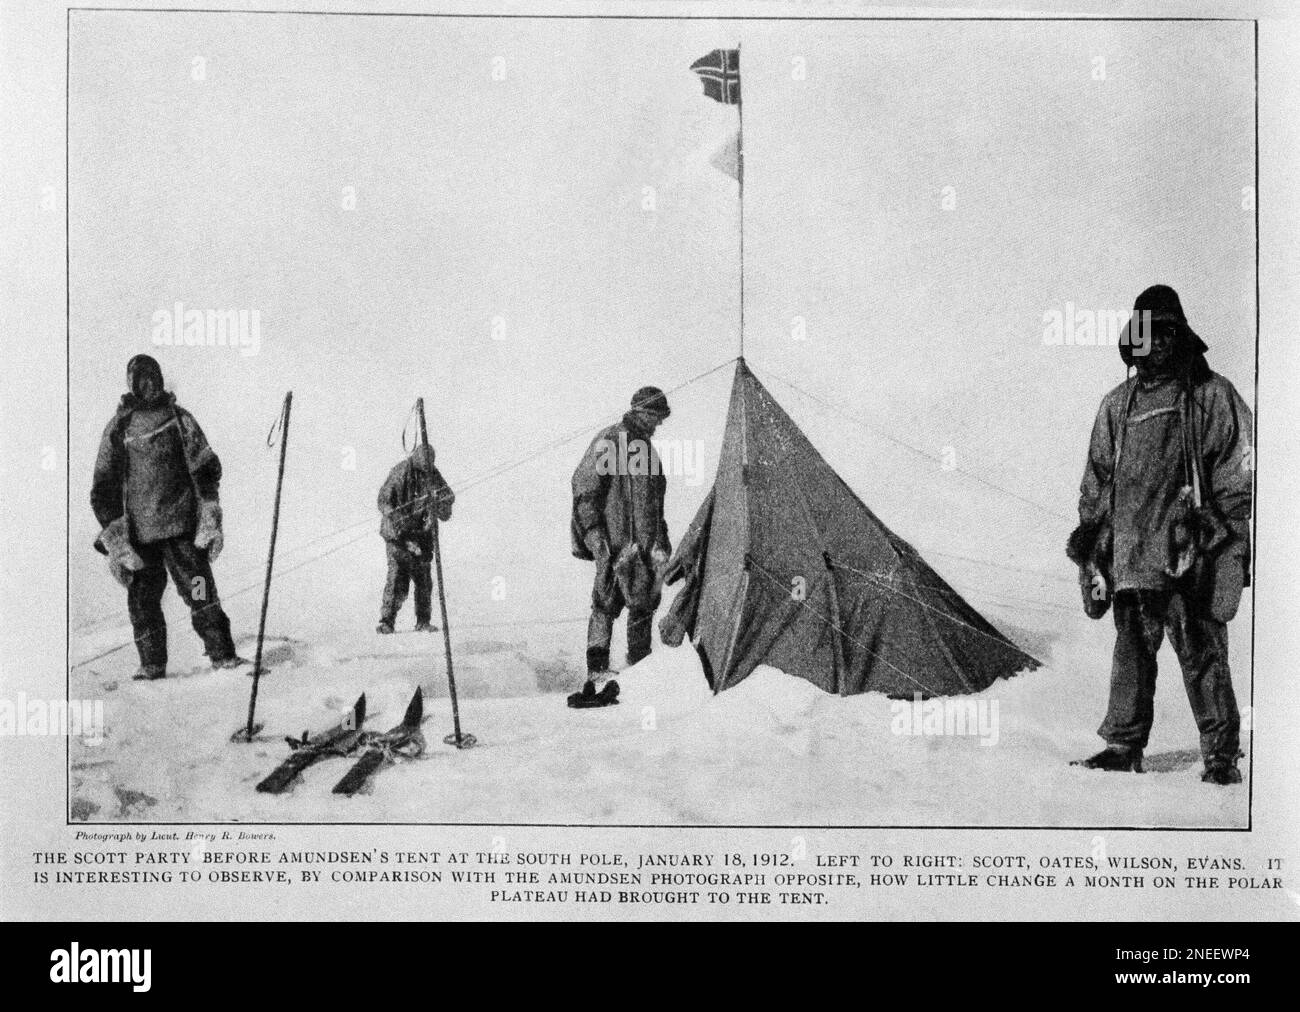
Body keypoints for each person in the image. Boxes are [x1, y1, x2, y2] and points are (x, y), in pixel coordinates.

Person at [1070, 286, 1253, 785]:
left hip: (1190, 555)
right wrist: (1094, 542)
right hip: (1131, 554)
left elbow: (1240, 475)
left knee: (1202, 651)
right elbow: (1098, 480)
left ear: (1179, 334)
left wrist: (1215, 528)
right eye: (1146, 334)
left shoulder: (1214, 396)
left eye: (1164, 333)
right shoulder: (1116, 405)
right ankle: (1123, 745)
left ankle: (1220, 756)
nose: (1155, 344)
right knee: (1130, 649)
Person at [91, 354, 245, 679]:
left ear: (160, 379)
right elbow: (104, 482)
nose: (149, 384)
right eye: (141, 379)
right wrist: (113, 529)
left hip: (181, 527)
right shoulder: (120, 427)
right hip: (139, 537)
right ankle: (151, 665)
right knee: (143, 604)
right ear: (132, 384)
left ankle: (222, 654)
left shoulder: (178, 418)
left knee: (200, 589)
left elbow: (205, 465)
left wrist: (210, 508)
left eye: (153, 377)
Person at [570, 386, 673, 698]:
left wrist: (661, 543)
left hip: (643, 549)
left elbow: (655, 507)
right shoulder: (610, 440)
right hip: (613, 546)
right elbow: (585, 491)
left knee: (643, 605)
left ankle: (638, 670)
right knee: (605, 603)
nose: (655, 424)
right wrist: (596, 538)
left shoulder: (647, 451)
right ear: (638, 411)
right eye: (652, 416)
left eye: (659, 418)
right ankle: (597, 670)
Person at [376, 443, 454, 634]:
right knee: (397, 578)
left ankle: (423, 621)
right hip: (398, 534)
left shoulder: (432, 474)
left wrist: (439, 506)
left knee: (424, 579)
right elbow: (383, 500)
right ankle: (387, 621)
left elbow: (448, 496)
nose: (428, 467)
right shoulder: (401, 471)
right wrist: (397, 518)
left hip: (421, 535)